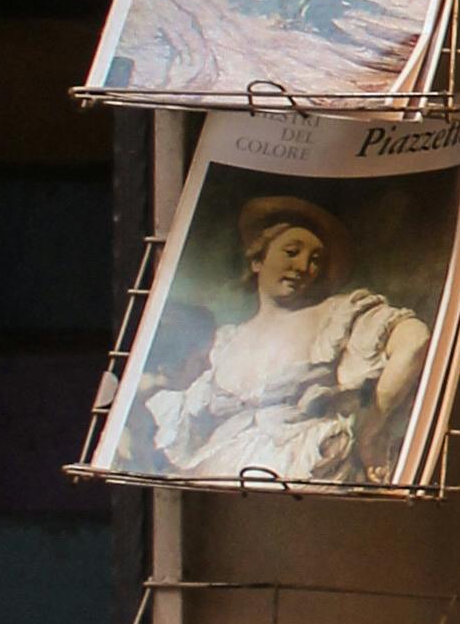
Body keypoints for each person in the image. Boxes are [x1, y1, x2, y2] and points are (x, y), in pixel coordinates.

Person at [141, 185, 436, 486]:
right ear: (258, 260)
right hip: (224, 474)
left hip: (307, 467)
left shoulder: (337, 315)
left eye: (316, 260)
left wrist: (373, 426)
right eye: (292, 252)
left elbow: (414, 341)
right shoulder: (226, 340)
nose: (304, 267)